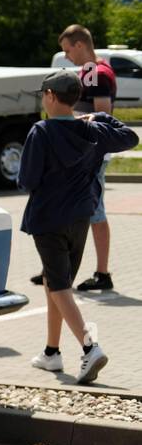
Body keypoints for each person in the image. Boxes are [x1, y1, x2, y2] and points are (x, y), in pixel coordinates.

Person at [19, 71, 137, 385]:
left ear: (51, 97)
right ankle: (51, 351)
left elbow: (27, 180)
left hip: (47, 220)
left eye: (43, 93)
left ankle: (90, 348)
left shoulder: (40, 132)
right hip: (80, 217)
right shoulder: (93, 129)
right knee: (56, 281)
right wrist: (99, 116)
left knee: (58, 286)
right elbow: (131, 136)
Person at [32, 24, 119, 291]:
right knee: (84, 209)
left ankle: (101, 273)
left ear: (80, 45)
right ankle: (58, 265)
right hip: (86, 151)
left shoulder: (93, 72)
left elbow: (102, 114)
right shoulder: (95, 70)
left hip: (89, 153)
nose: (67, 56)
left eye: (68, 50)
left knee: (95, 211)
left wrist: (65, 122)